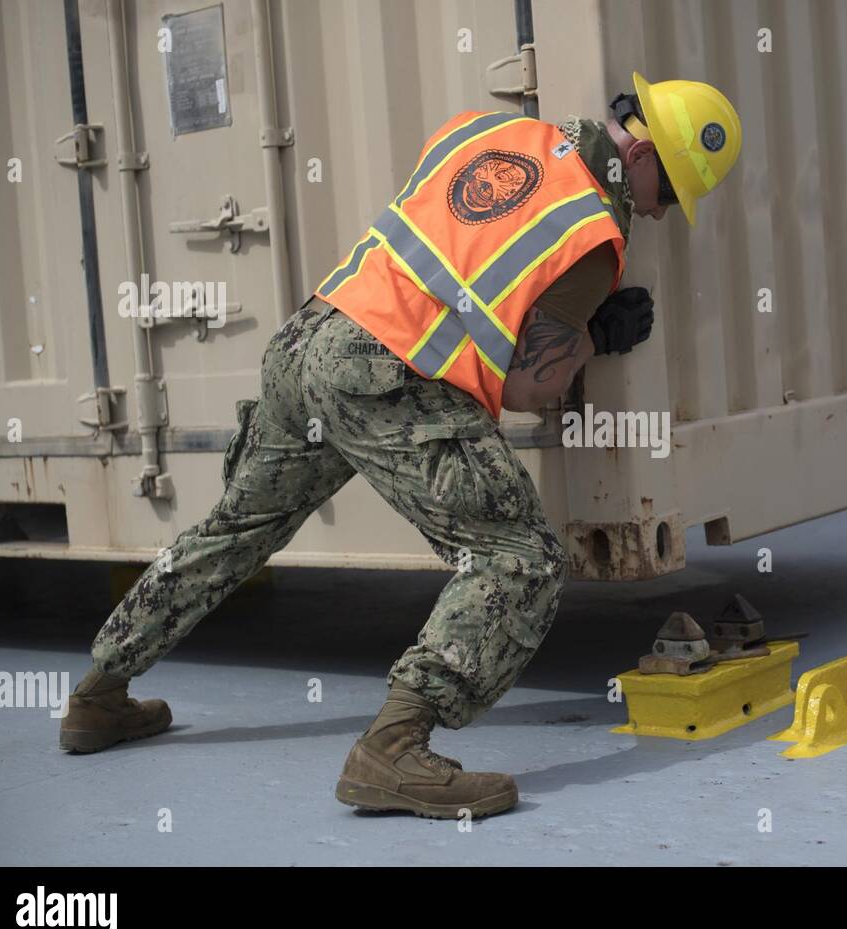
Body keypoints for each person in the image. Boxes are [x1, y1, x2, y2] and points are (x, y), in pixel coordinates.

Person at [59, 73, 742, 821]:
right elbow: (523, 387)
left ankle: (98, 694)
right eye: (670, 192)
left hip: (311, 342)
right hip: (389, 375)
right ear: (640, 152)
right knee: (521, 557)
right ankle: (393, 750)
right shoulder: (595, 235)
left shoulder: (485, 132)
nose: (661, 211)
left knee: (237, 530)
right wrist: (596, 335)